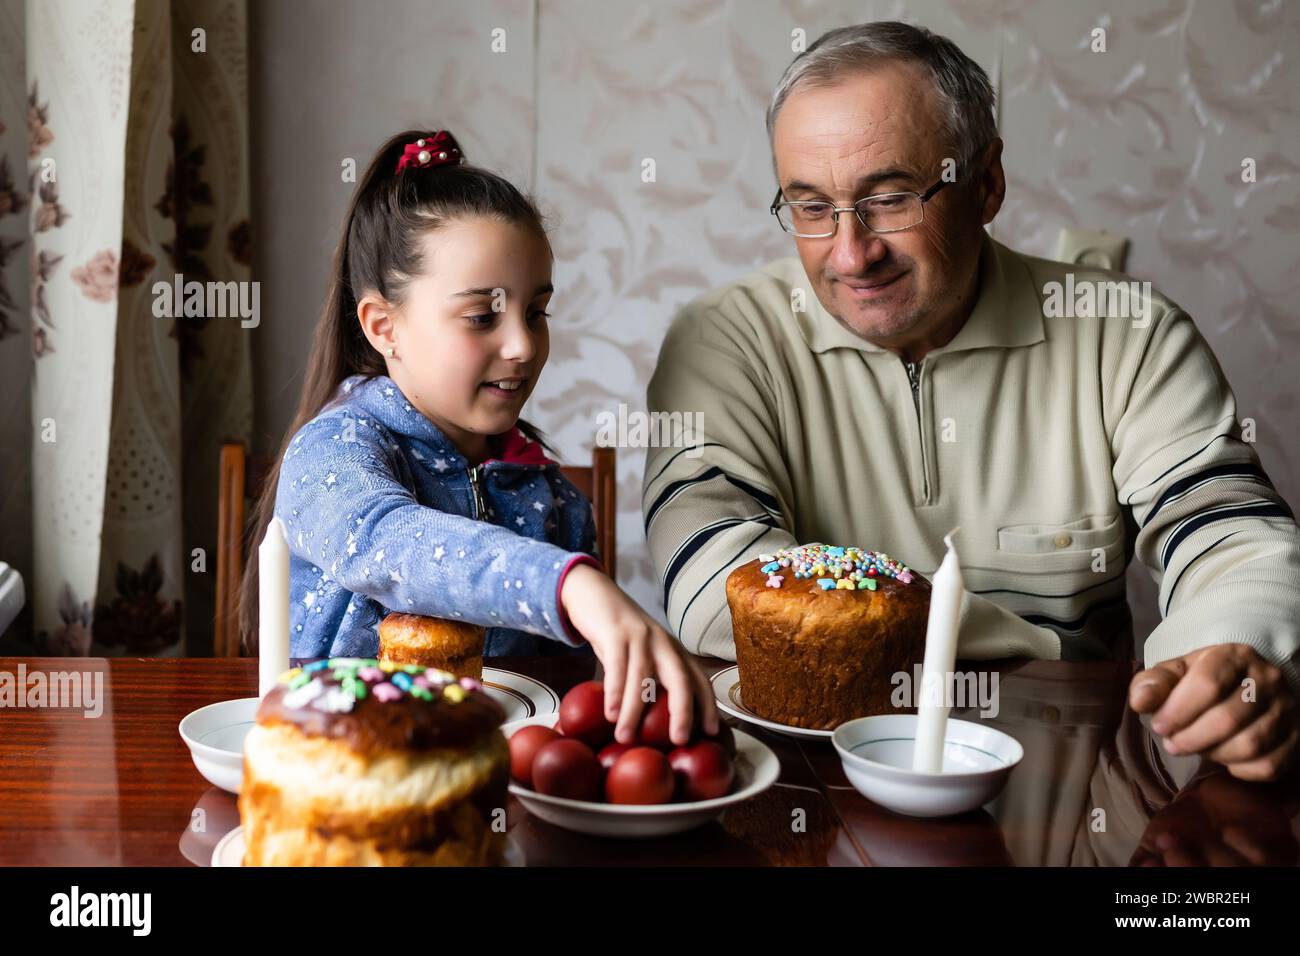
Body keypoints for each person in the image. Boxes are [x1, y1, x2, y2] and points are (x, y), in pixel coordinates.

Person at [643, 23, 1298, 779]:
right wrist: (1031, 647)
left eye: (889, 198)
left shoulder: (1131, 335)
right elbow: (710, 587)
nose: (852, 253)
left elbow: (1234, 541)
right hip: (810, 778)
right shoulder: (721, 339)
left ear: (986, 184)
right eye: (812, 207)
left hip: (1070, 785)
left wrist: (1219, 661)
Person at [241, 130, 717, 745]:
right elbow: (384, 542)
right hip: (343, 772)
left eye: (536, 312)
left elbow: (563, 710)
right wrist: (569, 583)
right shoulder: (332, 452)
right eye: (482, 317)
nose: (522, 346)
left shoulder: (555, 502)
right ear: (384, 326)